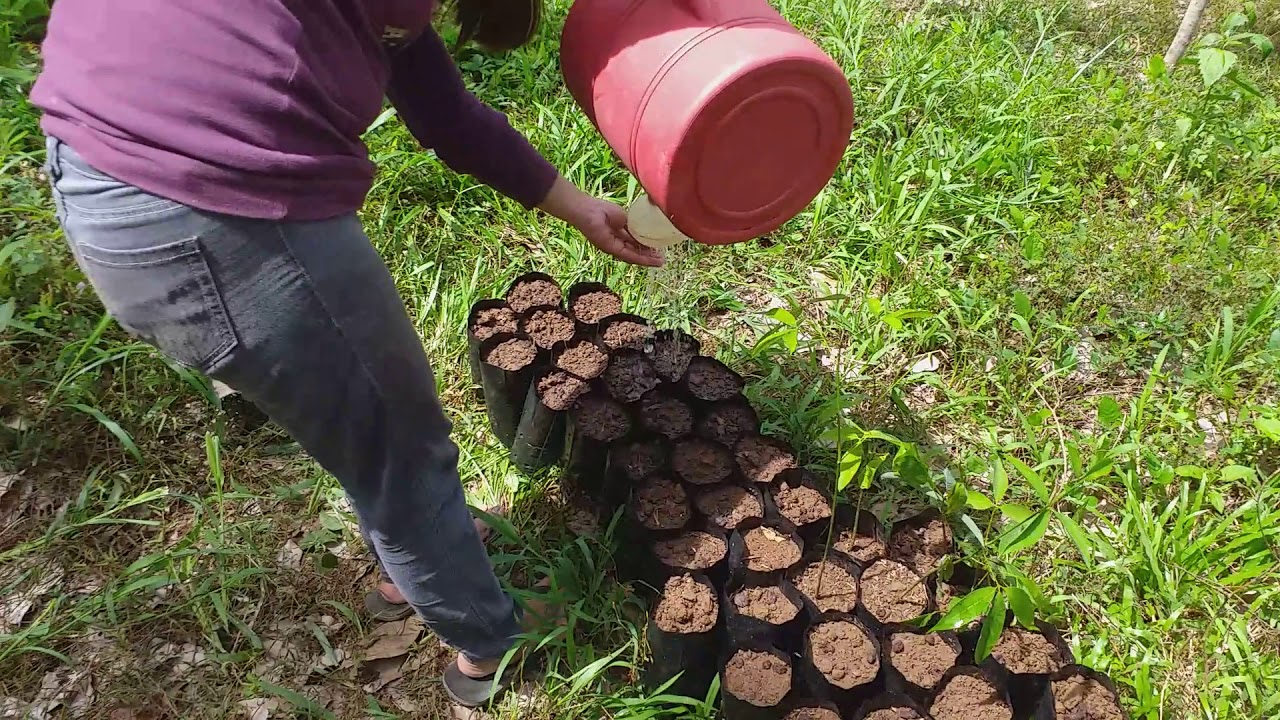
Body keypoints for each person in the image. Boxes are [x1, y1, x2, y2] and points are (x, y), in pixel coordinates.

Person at [31, 0, 663, 707]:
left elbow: (444, 110)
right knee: (400, 445)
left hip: (103, 175)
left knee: (363, 425)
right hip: (211, 212)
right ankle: (488, 644)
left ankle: (416, 571)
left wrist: (578, 206)